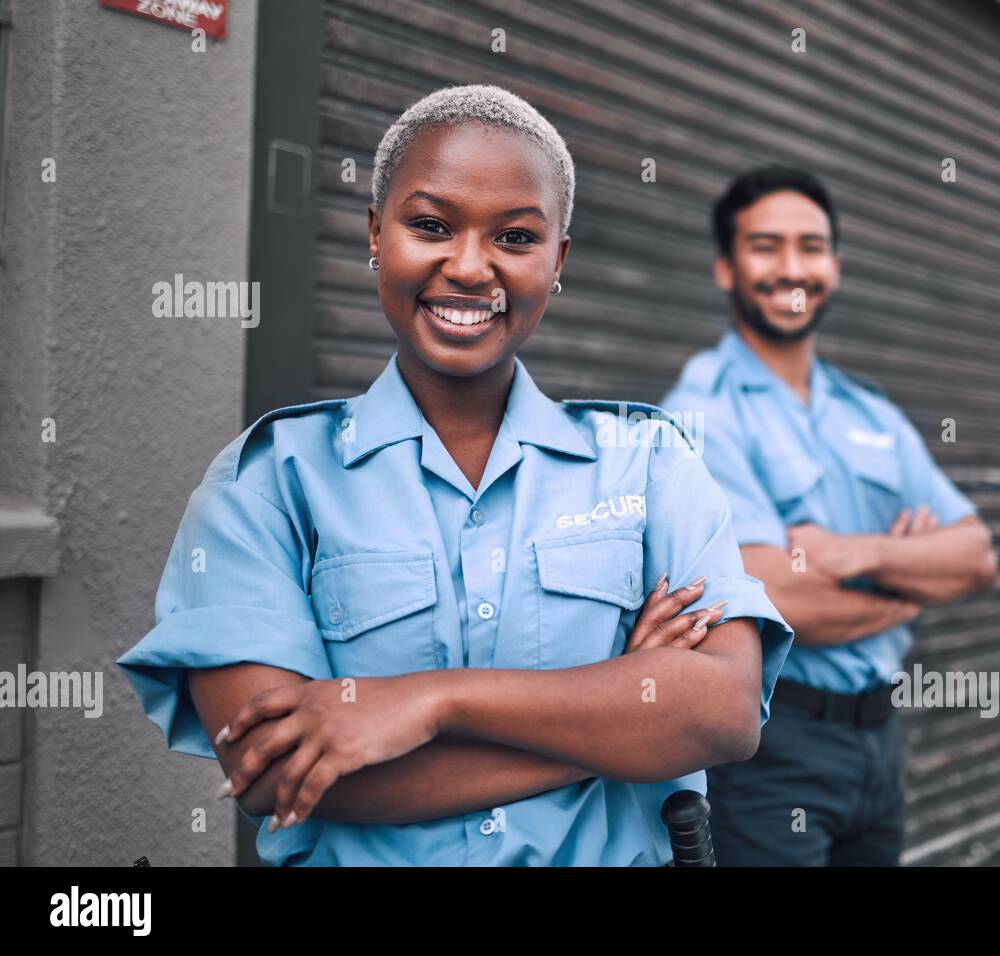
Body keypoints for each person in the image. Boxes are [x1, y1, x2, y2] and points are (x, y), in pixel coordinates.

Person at [117, 85, 792, 867]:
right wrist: (624, 713)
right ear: (376, 233)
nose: (470, 267)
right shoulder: (268, 485)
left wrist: (428, 704)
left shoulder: (650, 463)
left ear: (557, 260)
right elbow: (278, 770)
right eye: (431, 226)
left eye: (515, 236)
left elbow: (726, 713)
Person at [661, 166, 998, 866]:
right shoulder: (704, 412)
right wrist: (912, 582)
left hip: (882, 741)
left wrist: (854, 556)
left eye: (812, 247)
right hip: (772, 751)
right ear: (726, 268)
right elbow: (779, 598)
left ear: (835, 266)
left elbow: (976, 557)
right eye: (767, 246)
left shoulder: (869, 411)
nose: (793, 268)